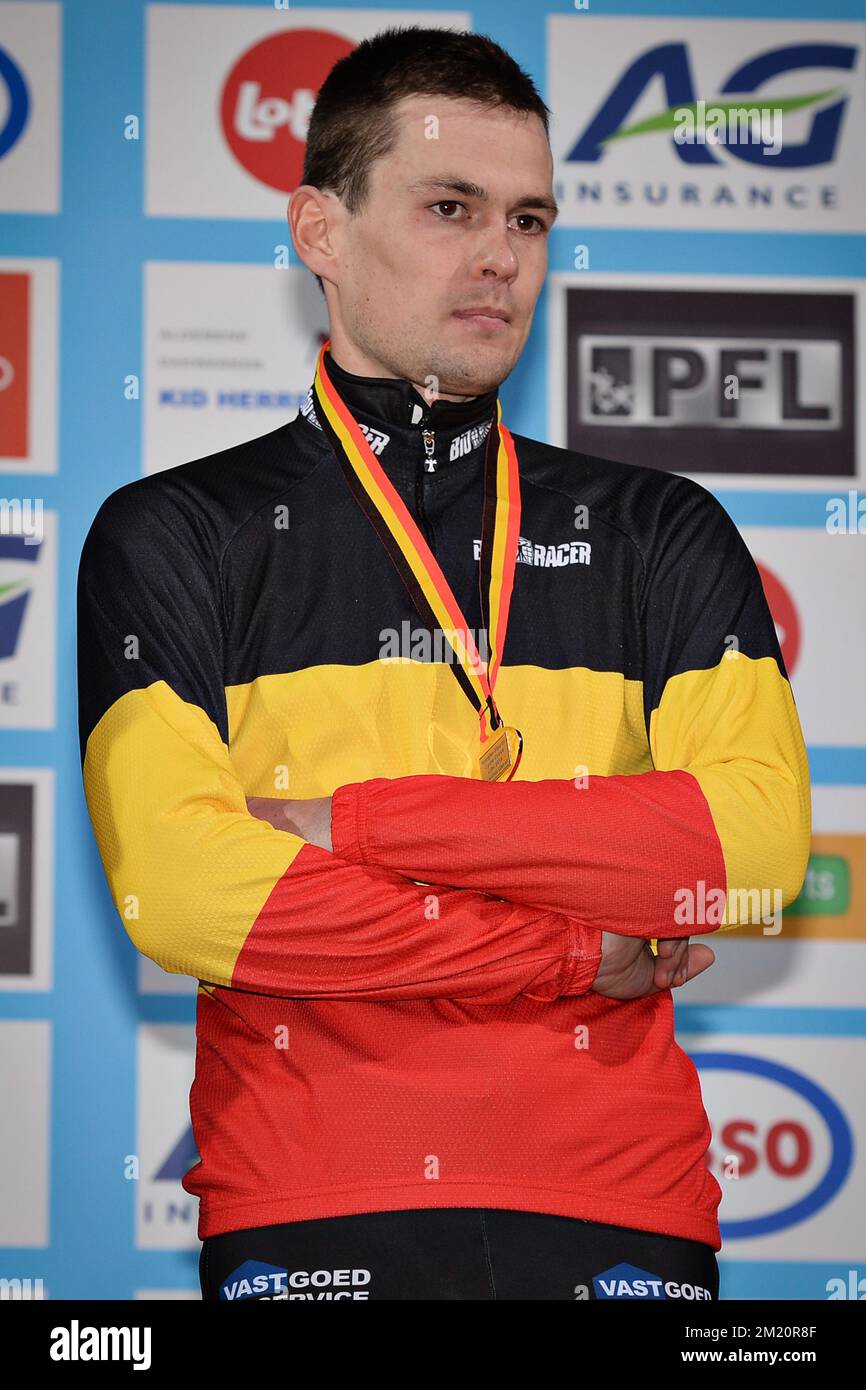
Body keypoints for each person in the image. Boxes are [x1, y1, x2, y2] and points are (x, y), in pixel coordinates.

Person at [76, 26, 811, 1301]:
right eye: (449, 208)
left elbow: (748, 858)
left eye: (527, 220)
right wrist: (577, 950)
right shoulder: (176, 531)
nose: (498, 258)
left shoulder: (657, 527)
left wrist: (344, 825)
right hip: (309, 1200)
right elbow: (186, 893)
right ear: (319, 229)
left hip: (618, 1203)